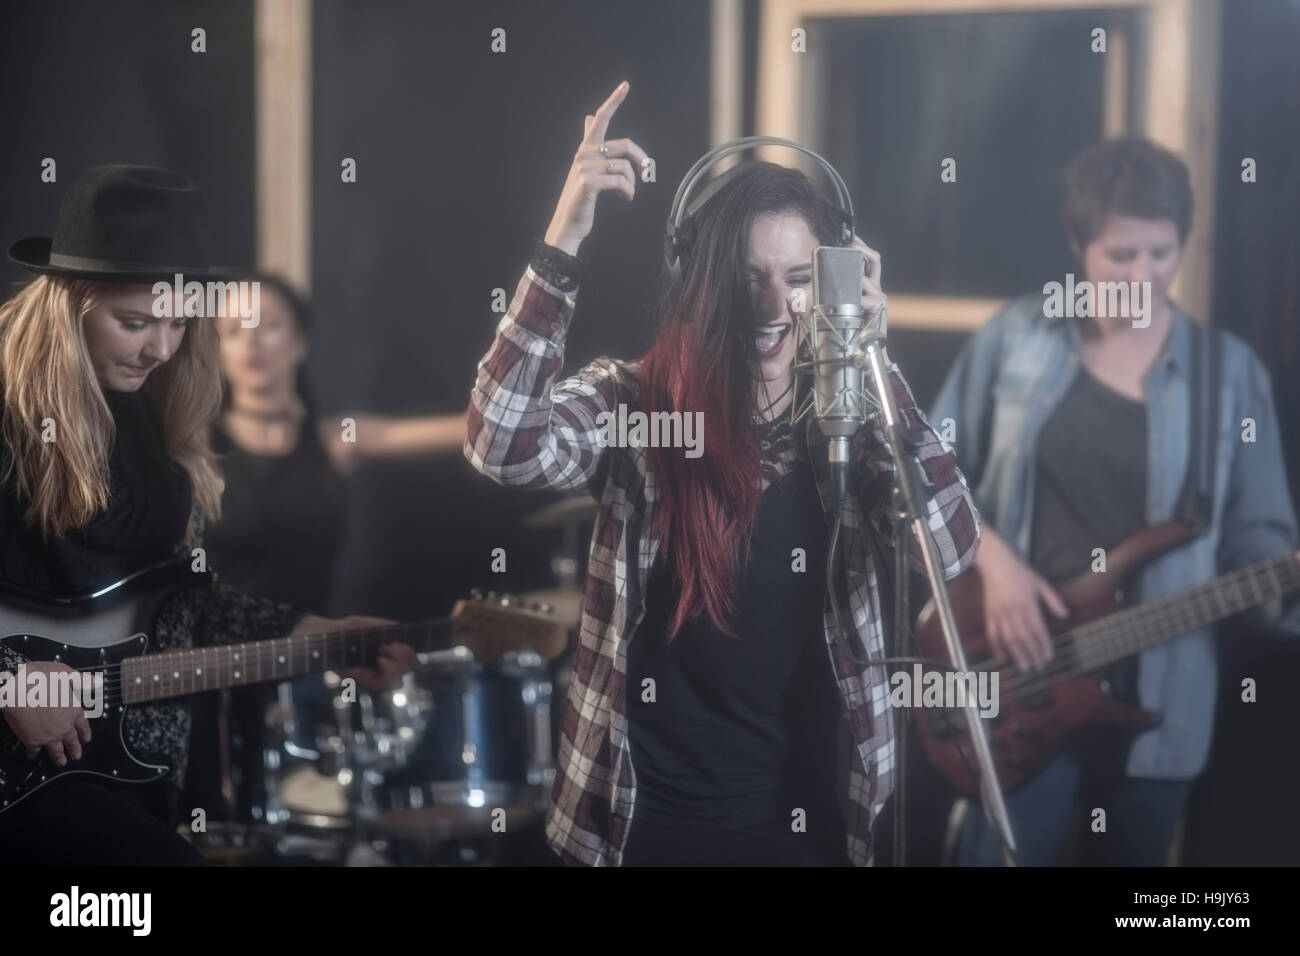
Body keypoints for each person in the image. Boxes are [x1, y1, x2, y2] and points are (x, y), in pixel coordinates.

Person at [465, 82, 979, 866]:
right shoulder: (634, 400)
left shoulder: (848, 425)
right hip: (645, 823)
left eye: (802, 278)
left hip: (808, 822)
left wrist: (873, 358)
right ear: (704, 284)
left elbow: (949, 551)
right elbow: (502, 444)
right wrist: (562, 239)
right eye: (748, 278)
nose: (776, 306)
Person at [0, 164, 414, 865]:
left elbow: (176, 606)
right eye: (133, 323)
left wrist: (320, 633)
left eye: (177, 323)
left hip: (129, 766)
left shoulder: (144, 418)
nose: (160, 348)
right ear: (70, 303)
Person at [930, 137, 1300, 866]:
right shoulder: (1014, 339)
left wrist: (1274, 587)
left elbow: (1260, 540)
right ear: (1078, 243)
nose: (1143, 277)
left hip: (1160, 712)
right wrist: (993, 559)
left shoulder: (1228, 374)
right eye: (1120, 256)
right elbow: (923, 475)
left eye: (1161, 254)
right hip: (1014, 685)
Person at [185, 273, 466, 823]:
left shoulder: (338, 439)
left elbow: (469, 429)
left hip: (308, 675)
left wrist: (580, 413)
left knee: (319, 830)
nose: (252, 342)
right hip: (210, 677)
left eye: (269, 325)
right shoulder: (192, 447)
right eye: (233, 330)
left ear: (300, 340)